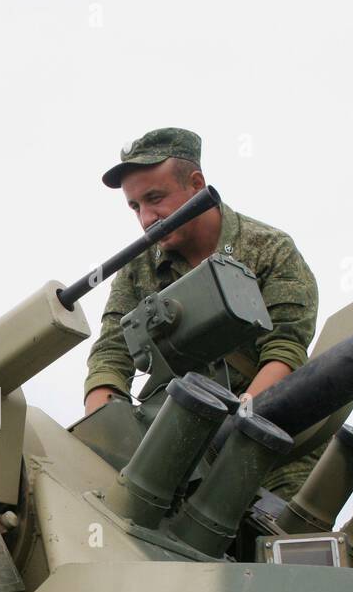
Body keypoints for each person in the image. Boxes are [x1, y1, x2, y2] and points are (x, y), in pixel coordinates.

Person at [84, 127, 321, 498]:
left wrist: (229, 435)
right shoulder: (138, 268)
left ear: (196, 184)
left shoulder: (269, 249)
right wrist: (109, 436)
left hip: (271, 440)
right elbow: (112, 355)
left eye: (155, 198)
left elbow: (285, 350)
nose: (147, 218)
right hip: (175, 441)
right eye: (135, 207)